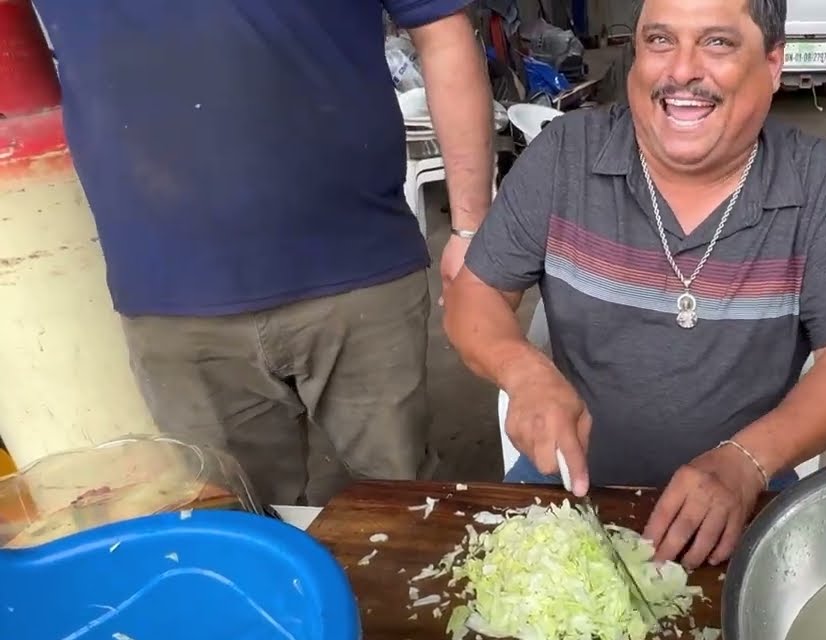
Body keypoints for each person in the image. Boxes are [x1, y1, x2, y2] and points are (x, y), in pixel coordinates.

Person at [444, 0, 826, 568]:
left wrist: (746, 462)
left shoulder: (820, 184)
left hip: (741, 495)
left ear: (773, 63)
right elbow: (473, 297)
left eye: (718, 43)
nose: (681, 71)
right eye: (659, 41)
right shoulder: (564, 157)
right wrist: (524, 371)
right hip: (567, 487)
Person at [31, 0, 495, 506]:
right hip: (172, 298)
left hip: (356, 271)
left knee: (408, 501)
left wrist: (472, 230)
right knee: (235, 525)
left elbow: (441, 30)